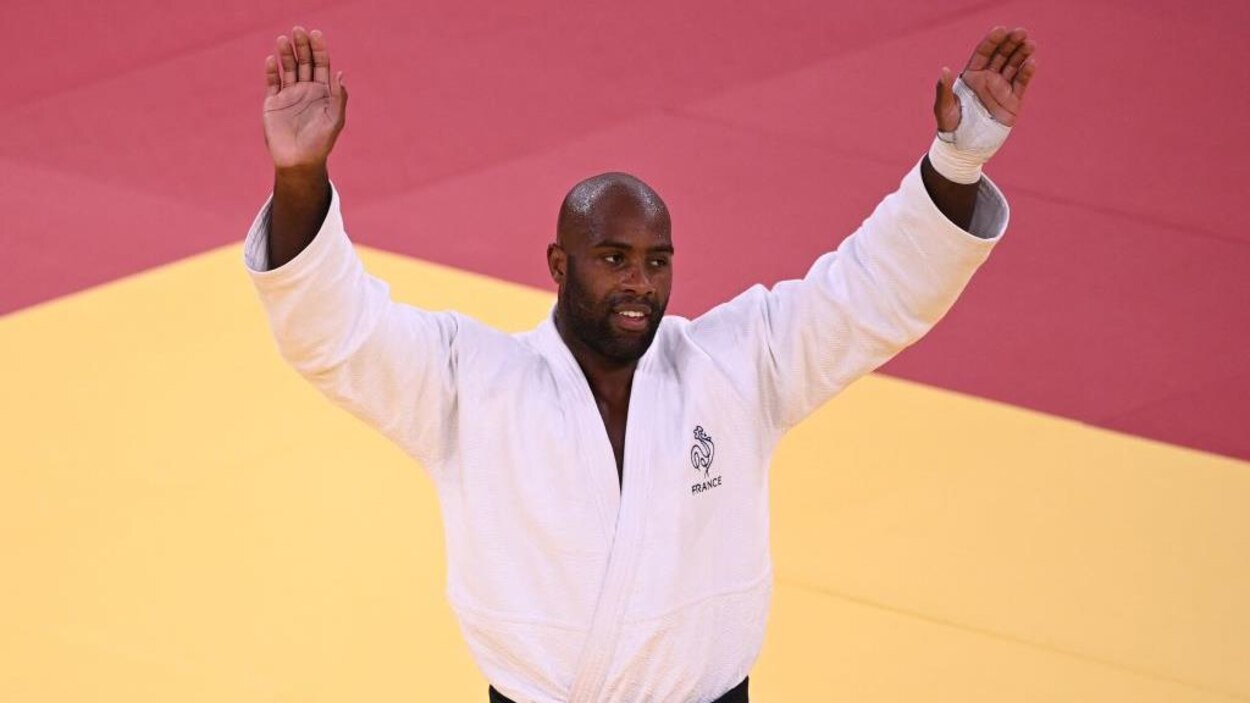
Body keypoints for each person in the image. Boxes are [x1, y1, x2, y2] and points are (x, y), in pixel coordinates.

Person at [244, 24, 1037, 703]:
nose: (639, 283)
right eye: (613, 257)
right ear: (558, 262)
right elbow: (333, 335)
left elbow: (871, 294)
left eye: (657, 261)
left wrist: (957, 160)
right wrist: (301, 177)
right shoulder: (472, 384)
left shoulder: (738, 365)